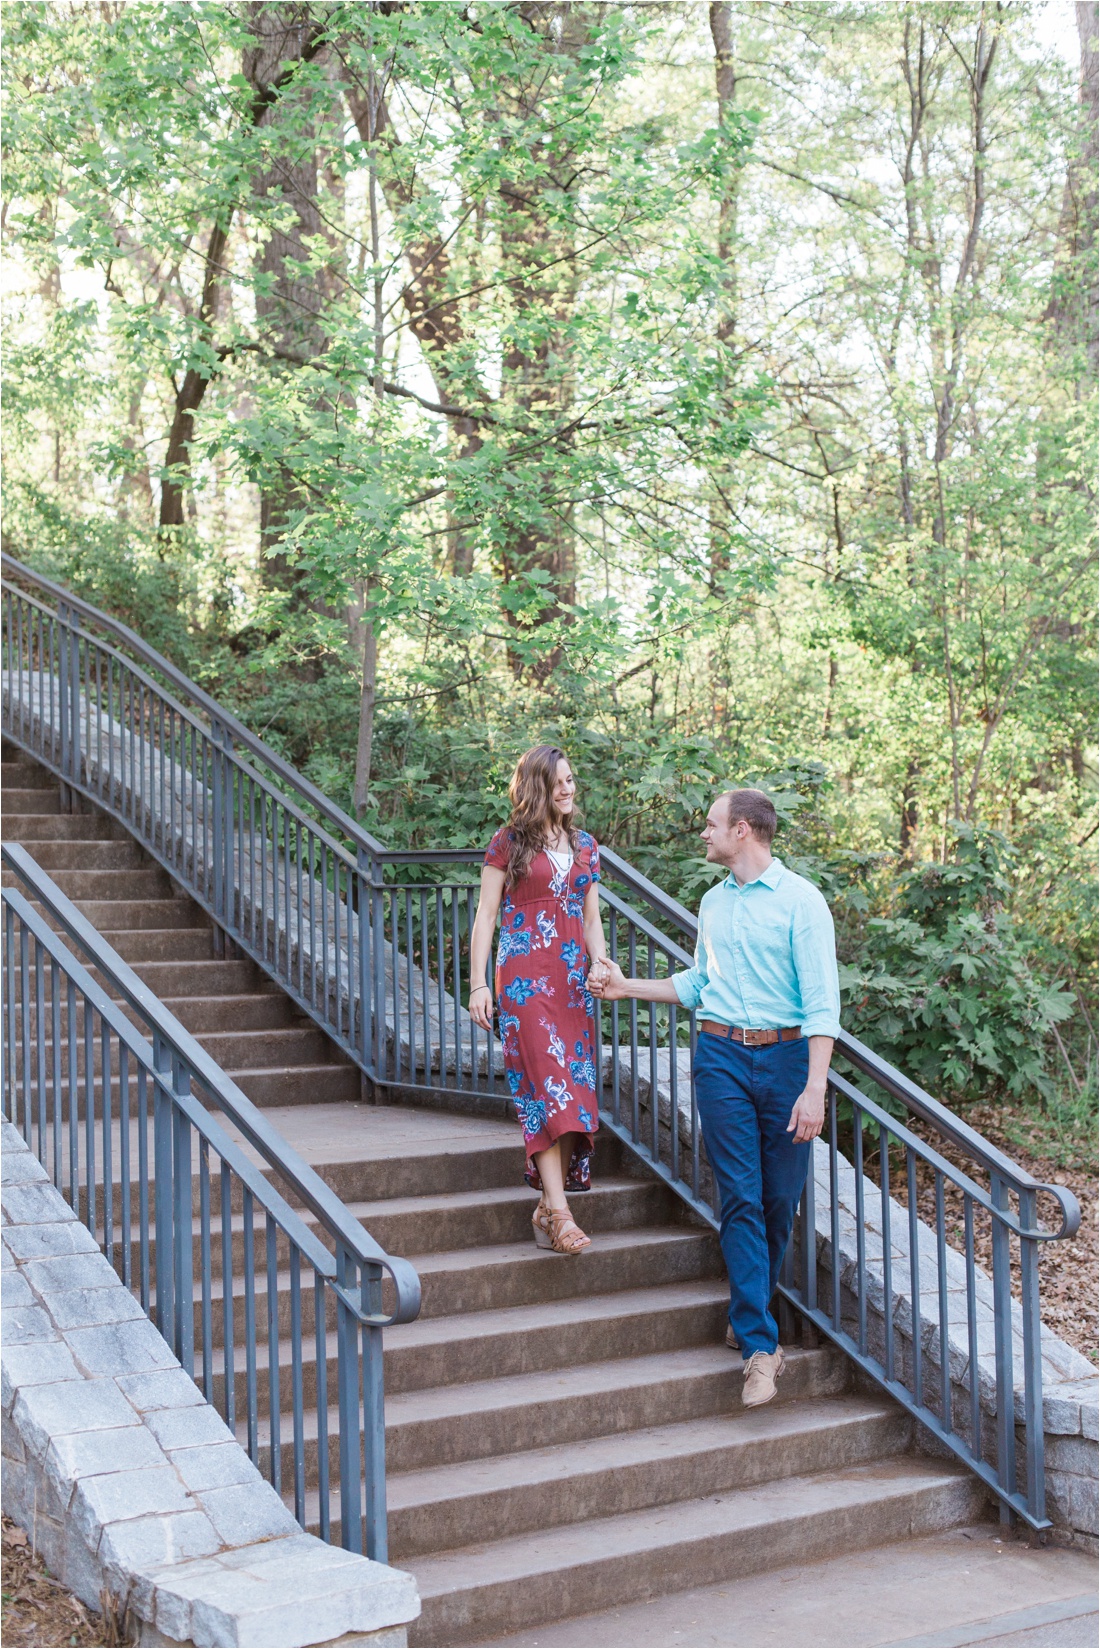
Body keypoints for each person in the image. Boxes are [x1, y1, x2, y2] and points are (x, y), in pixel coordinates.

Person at [589, 788, 840, 1406]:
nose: (704, 834)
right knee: (740, 1196)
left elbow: (822, 1003)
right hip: (721, 1055)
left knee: (778, 1200)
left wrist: (814, 1088)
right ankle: (760, 1346)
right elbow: (701, 984)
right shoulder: (713, 902)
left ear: (745, 831)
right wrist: (626, 989)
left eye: (711, 825)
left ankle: (747, 1303)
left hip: (785, 1061)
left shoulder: (801, 902)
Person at [469, 745, 609, 1256]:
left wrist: (601, 963)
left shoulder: (587, 846)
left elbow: (591, 919)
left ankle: (548, 1207)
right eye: (559, 783)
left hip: (573, 982)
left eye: (572, 780)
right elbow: (486, 916)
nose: (569, 789)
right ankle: (562, 1215)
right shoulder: (508, 843)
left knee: (574, 1093)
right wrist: (478, 983)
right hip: (525, 979)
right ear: (537, 788)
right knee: (545, 1091)